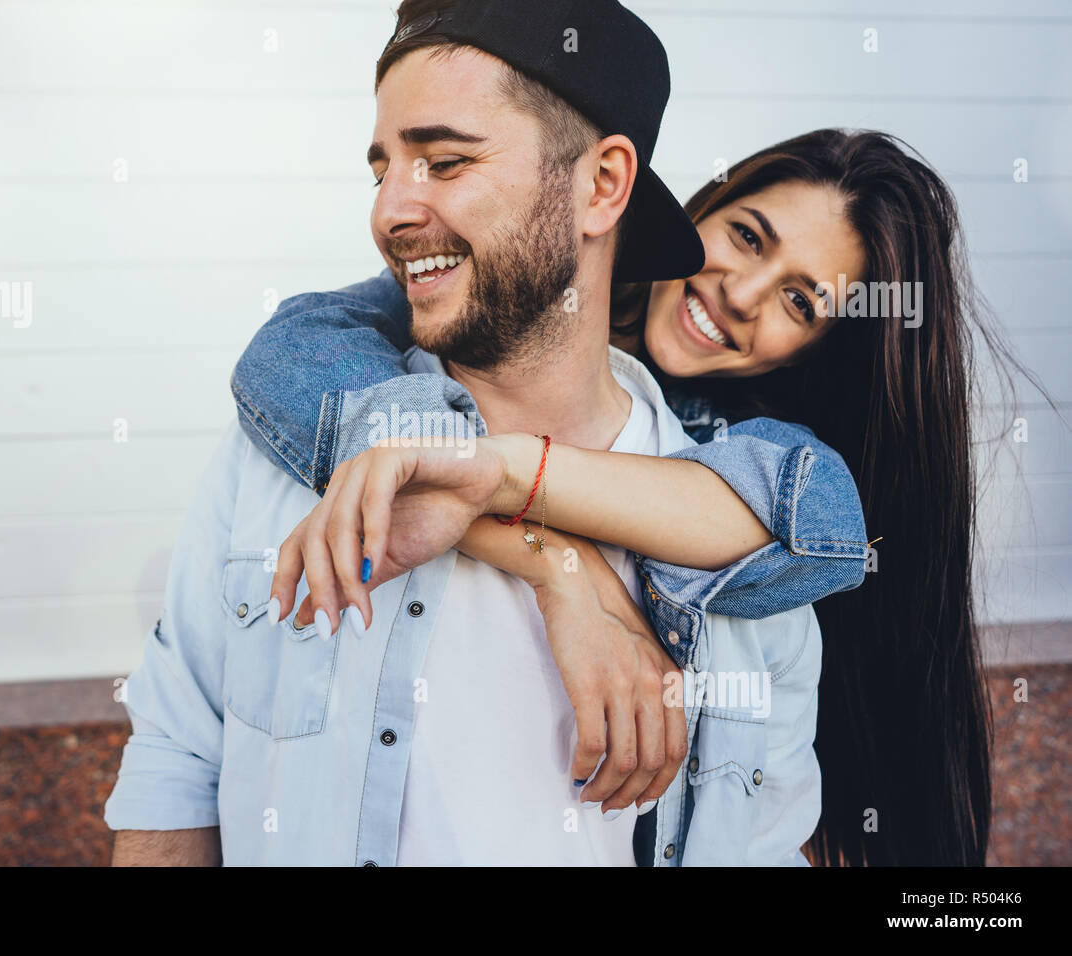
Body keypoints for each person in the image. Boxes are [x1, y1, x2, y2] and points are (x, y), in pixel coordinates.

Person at [230, 76, 1016, 870]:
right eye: (747, 237)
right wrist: (560, 570)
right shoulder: (503, 292)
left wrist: (504, 481)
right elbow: (291, 351)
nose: (740, 294)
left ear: (820, 349)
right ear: (697, 209)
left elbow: (820, 521)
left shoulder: (733, 445)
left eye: (801, 302)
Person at [105, 0, 825, 866]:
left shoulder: (740, 566)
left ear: (602, 185)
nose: (391, 214)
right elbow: (178, 756)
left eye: (445, 162)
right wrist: (558, 561)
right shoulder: (287, 444)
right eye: (384, 171)